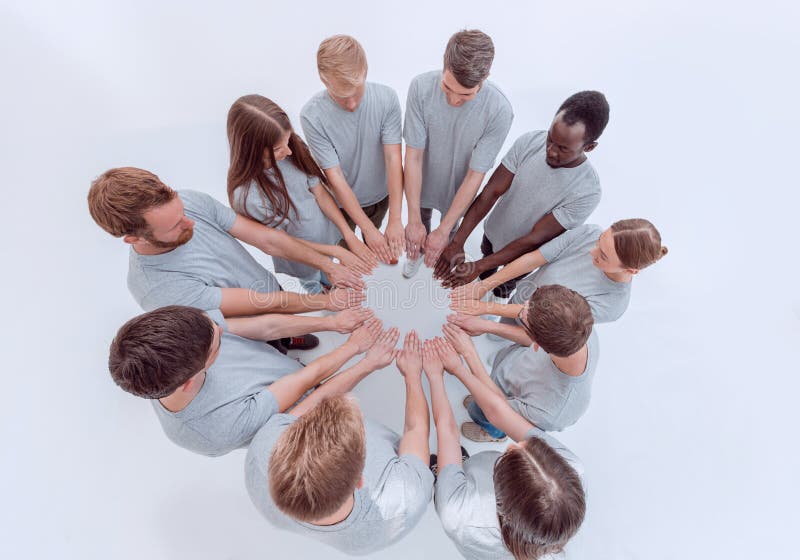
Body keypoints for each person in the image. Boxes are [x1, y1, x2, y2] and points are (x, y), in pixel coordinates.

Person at [88, 167, 369, 349]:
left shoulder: (190, 202)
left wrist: (326, 264)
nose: (190, 223)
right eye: (176, 226)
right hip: (250, 335)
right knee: (277, 348)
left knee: (284, 320)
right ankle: (284, 345)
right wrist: (327, 302)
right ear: (134, 239)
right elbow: (262, 305)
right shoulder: (158, 288)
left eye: (182, 212)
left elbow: (268, 240)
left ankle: (289, 337)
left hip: (271, 295)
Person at [245, 331, 434, 555]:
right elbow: (416, 430)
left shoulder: (262, 451)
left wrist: (367, 364)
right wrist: (413, 375)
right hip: (408, 470)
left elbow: (315, 402)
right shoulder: (399, 501)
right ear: (360, 481)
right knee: (419, 464)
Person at [107, 306, 377, 456]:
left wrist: (331, 323)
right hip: (306, 405)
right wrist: (355, 348)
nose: (220, 328)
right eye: (218, 344)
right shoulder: (217, 428)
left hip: (284, 373)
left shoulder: (184, 332)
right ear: (188, 382)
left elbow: (264, 327)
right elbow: (306, 381)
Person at [424, 331, 585, 560]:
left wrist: (433, 375)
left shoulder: (460, 514)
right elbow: (501, 414)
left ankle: (448, 474)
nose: (513, 445)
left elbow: (447, 432)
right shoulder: (570, 472)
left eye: (508, 458)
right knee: (455, 463)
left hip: (463, 508)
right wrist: (463, 363)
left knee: (449, 469)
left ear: (500, 492)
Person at [435, 91, 610, 295]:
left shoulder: (587, 192)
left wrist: (479, 265)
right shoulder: (530, 142)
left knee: (502, 288)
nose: (551, 150)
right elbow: (490, 192)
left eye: (563, 148)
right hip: (492, 234)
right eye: (550, 139)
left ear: (589, 147)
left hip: (521, 259)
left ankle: (493, 306)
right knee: (486, 266)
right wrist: (458, 242)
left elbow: (534, 239)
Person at [228, 94, 378, 294]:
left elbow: (320, 193)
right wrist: (334, 252)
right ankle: (322, 295)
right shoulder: (247, 196)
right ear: (251, 149)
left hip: (326, 239)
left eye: (288, 141)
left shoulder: (294, 150)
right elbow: (282, 242)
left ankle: (329, 285)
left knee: (331, 276)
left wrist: (348, 235)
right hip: (299, 259)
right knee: (313, 283)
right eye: (277, 148)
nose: (288, 152)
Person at [403, 29, 513, 278]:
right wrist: (412, 219)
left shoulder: (499, 110)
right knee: (419, 222)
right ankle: (417, 256)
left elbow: (475, 175)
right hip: (422, 181)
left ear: (484, 78)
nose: (453, 100)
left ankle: (433, 261)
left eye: (465, 95)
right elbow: (413, 156)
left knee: (446, 234)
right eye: (447, 87)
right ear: (444, 63)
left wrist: (443, 231)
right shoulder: (420, 88)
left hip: (460, 189)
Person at [300, 35, 404, 264]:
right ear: (323, 79)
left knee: (375, 246)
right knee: (347, 254)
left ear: (365, 71)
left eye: (356, 92)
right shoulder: (312, 116)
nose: (351, 104)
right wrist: (365, 229)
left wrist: (395, 218)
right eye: (341, 96)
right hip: (340, 203)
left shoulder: (387, 99)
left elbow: (393, 157)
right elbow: (334, 175)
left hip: (380, 197)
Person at [448, 284, 598, 442]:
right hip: (505, 377)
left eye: (523, 319)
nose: (519, 310)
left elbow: (500, 410)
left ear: (537, 344)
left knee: (484, 416)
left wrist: (468, 352)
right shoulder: (579, 326)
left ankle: (493, 434)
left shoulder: (549, 411)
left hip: (503, 405)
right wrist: (487, 325)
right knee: (478, 404)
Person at [450, 219, 668, 324]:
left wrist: (486, 308)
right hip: (520, 299)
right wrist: (484, 286)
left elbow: (541, 315)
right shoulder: (591, 232)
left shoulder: (611, 304)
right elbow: (536, 258)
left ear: (630, 270)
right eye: (599, 243)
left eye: (602, 256)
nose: (592, 252)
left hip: (537, 329)